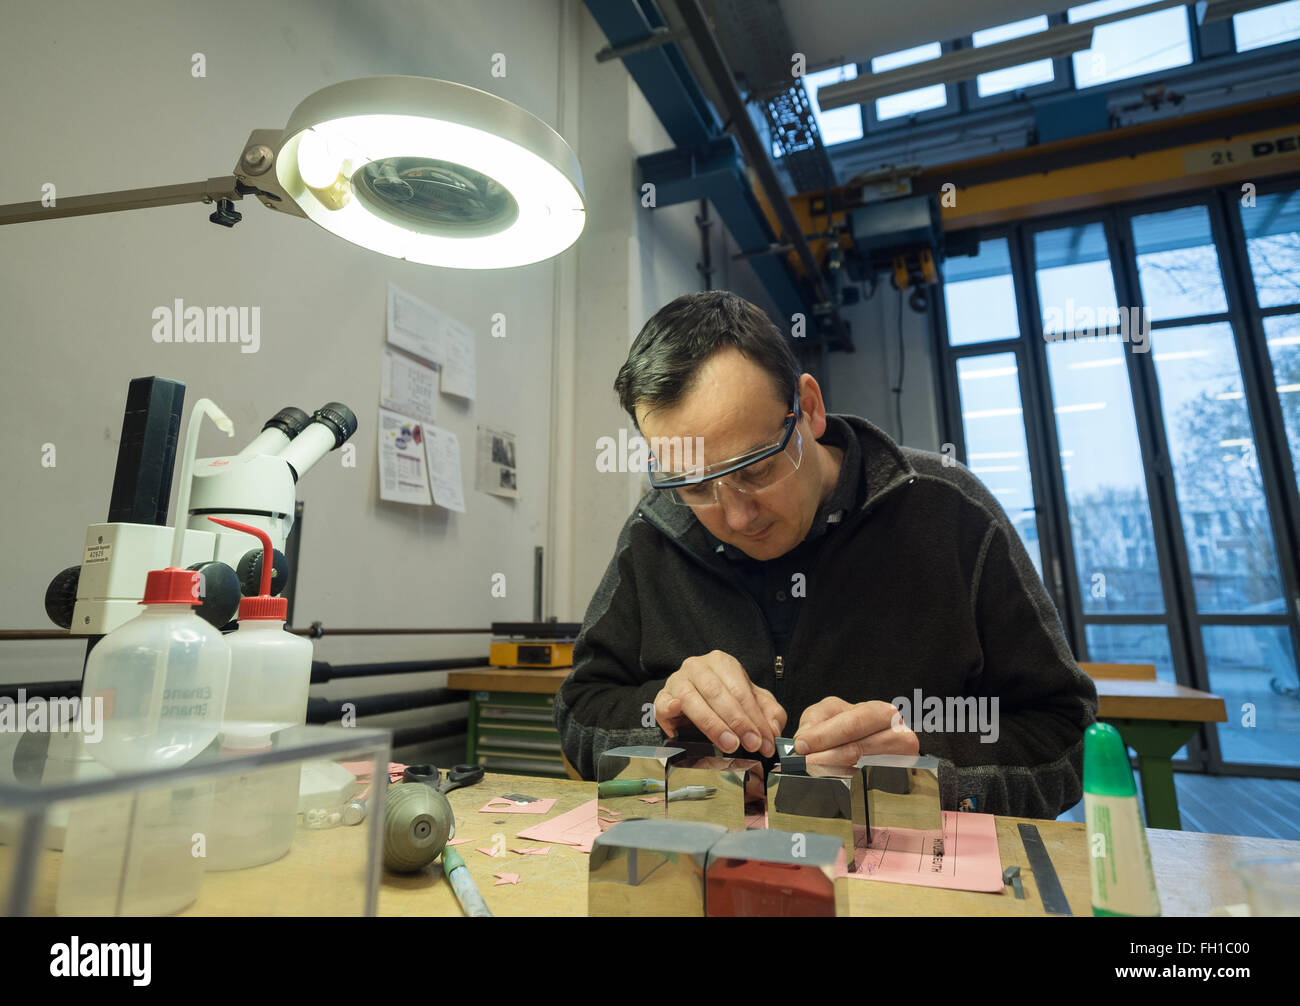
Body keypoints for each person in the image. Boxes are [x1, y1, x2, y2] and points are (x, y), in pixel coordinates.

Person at [554, 290, 1098, 818]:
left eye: (756, 468)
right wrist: (666, 720)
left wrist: (924, 769)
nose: (738, 516)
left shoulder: (950, 511)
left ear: (808, 410)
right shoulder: (656, 529)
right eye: (695, 486)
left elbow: (1065, 737)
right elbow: (580, 711)